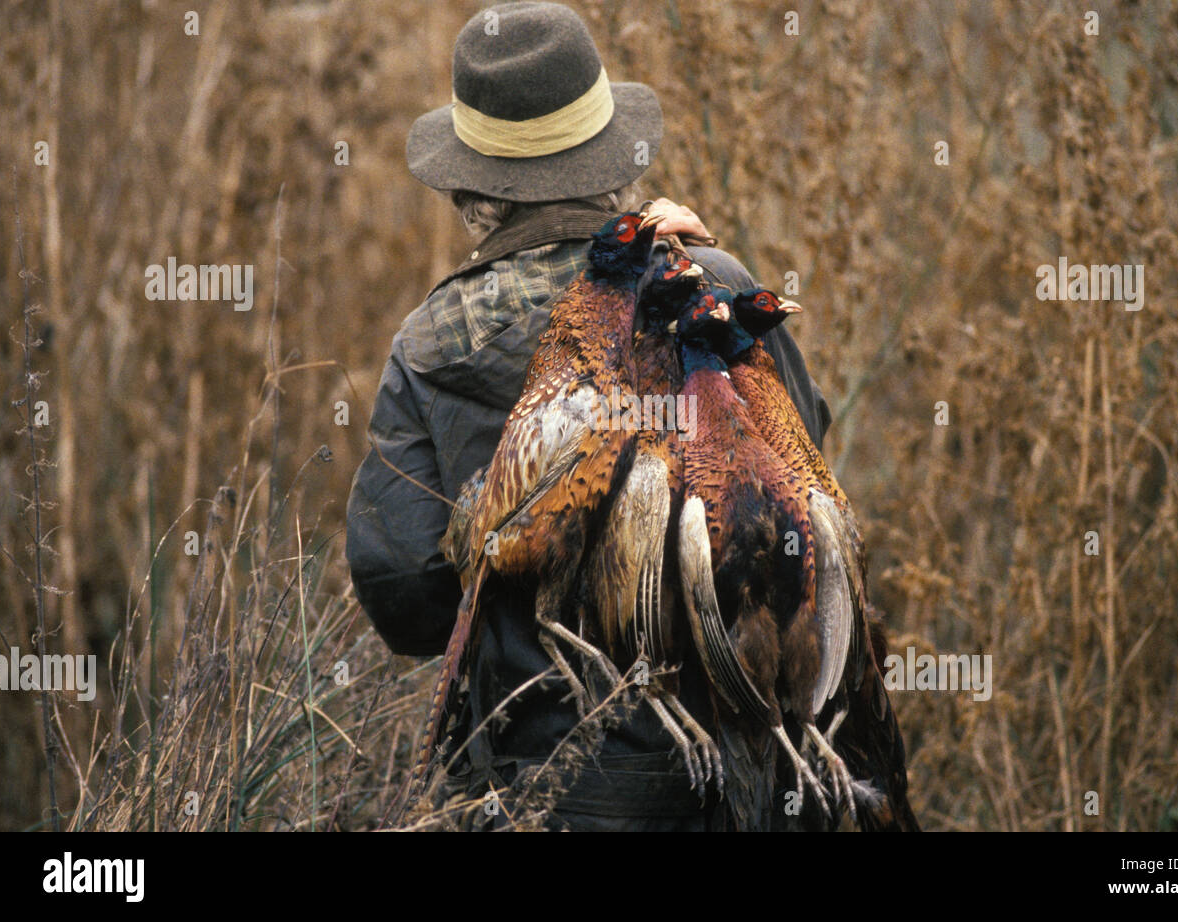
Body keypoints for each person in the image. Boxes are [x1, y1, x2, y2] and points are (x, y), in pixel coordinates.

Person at [345, 1, 831, 830]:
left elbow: (404, 595)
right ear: (612, 158)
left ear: (472, 190)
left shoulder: (429, 343)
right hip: (752, 785)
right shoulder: (714, 285)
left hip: (544, 791)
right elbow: (806, 488)